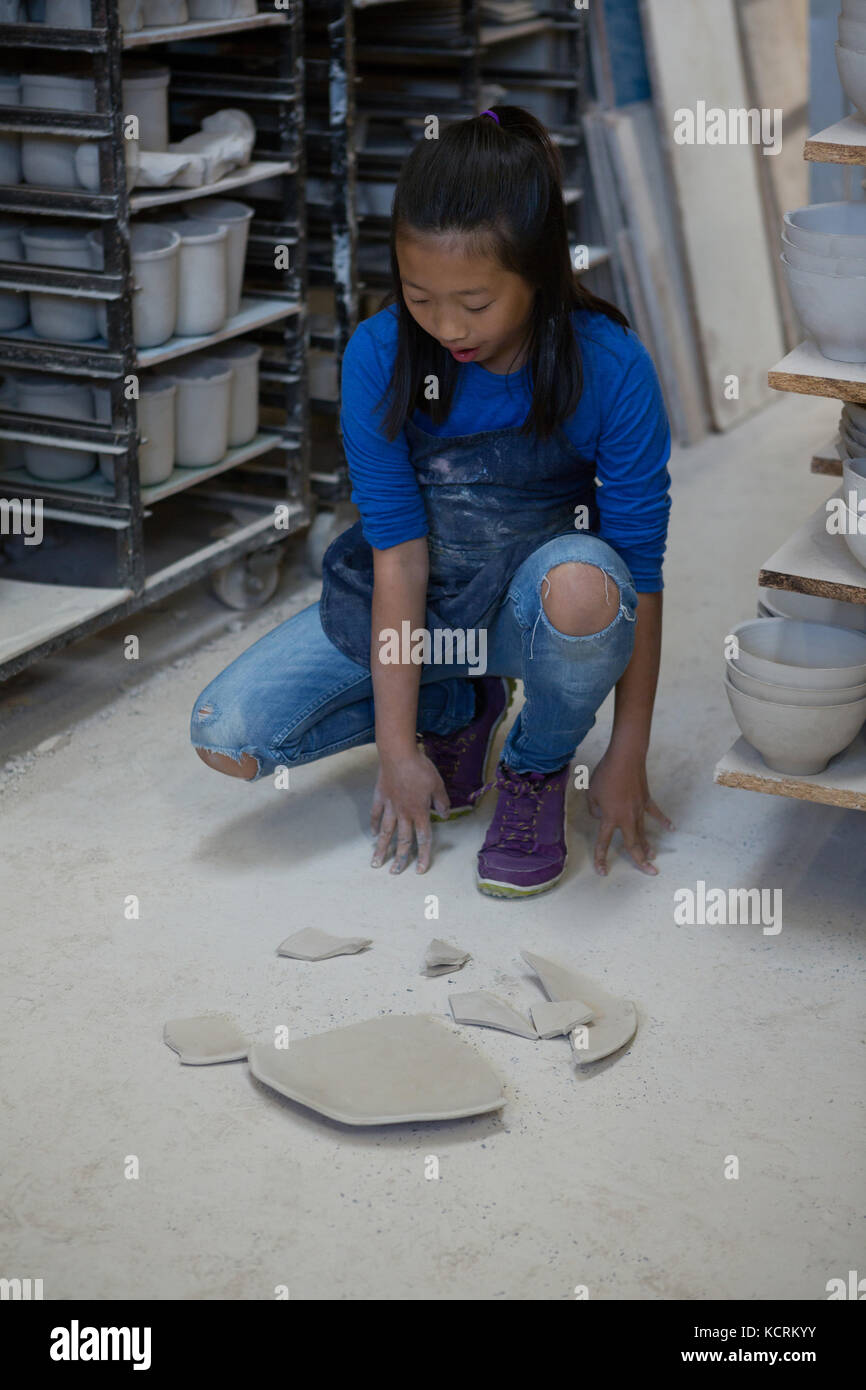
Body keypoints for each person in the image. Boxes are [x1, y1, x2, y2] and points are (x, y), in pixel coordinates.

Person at [191, 105, 674, 899]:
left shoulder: (610, 367)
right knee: (230, 738)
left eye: (476, 305)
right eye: (422, 297)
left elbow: (642, 576)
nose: (448, 325)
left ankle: (535, 765)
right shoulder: (380, 356)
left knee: (589, 586)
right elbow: (400, 558)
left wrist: (627, 751)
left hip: (538, 609)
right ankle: (455, 706)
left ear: (540, 269)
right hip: (427, 602)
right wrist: (395, 747)